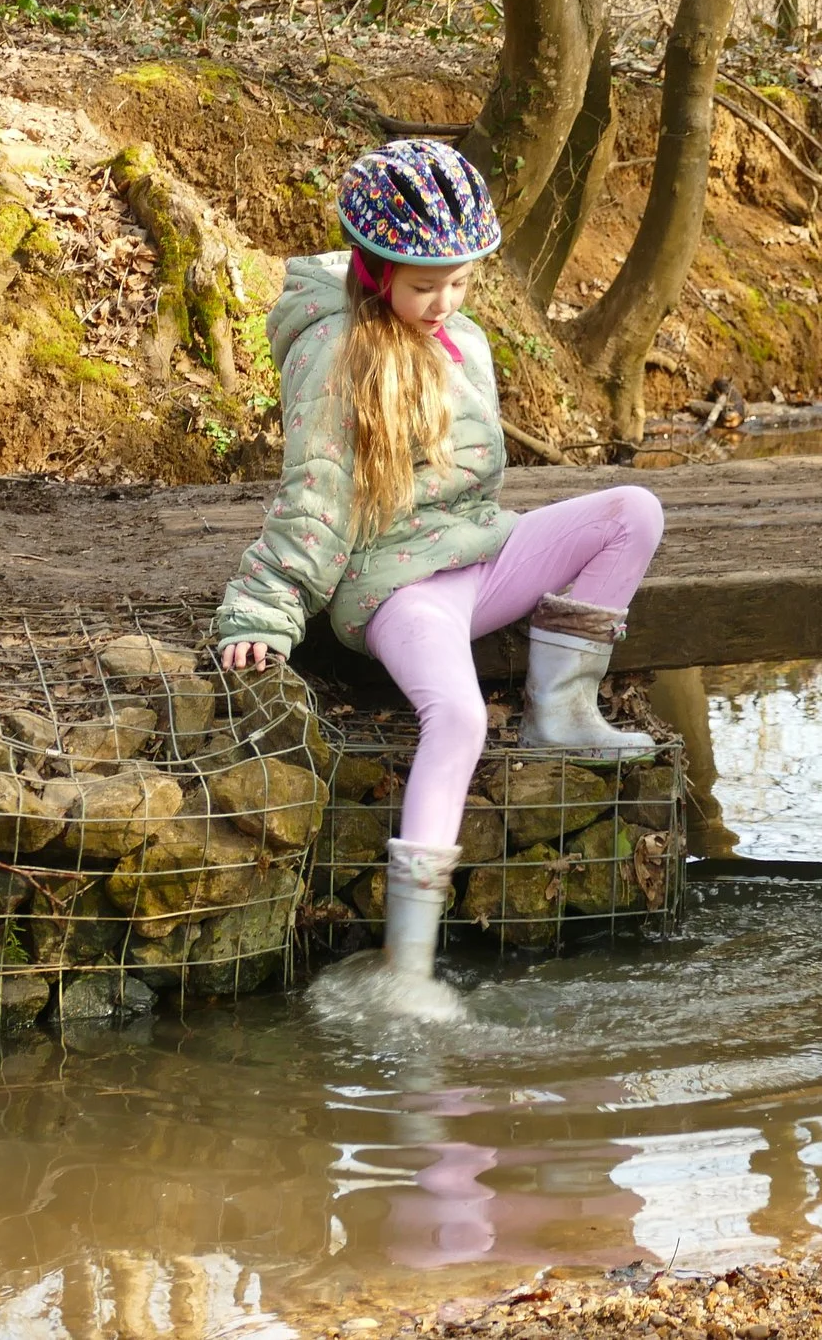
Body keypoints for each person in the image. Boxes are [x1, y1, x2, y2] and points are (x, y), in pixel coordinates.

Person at [212, 139, 665, 1011]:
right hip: (399, 587)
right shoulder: (336, 351)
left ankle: (563, 708)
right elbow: (317, 494)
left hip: (478, 553)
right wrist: (264, 606)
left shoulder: (464, 338)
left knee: (633, 512)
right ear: (373, 269)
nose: (446, 302)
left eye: (459, 282)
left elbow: (474, 487)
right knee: (456, 716)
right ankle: (408, 965)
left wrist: (497, 546)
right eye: (426, 287)